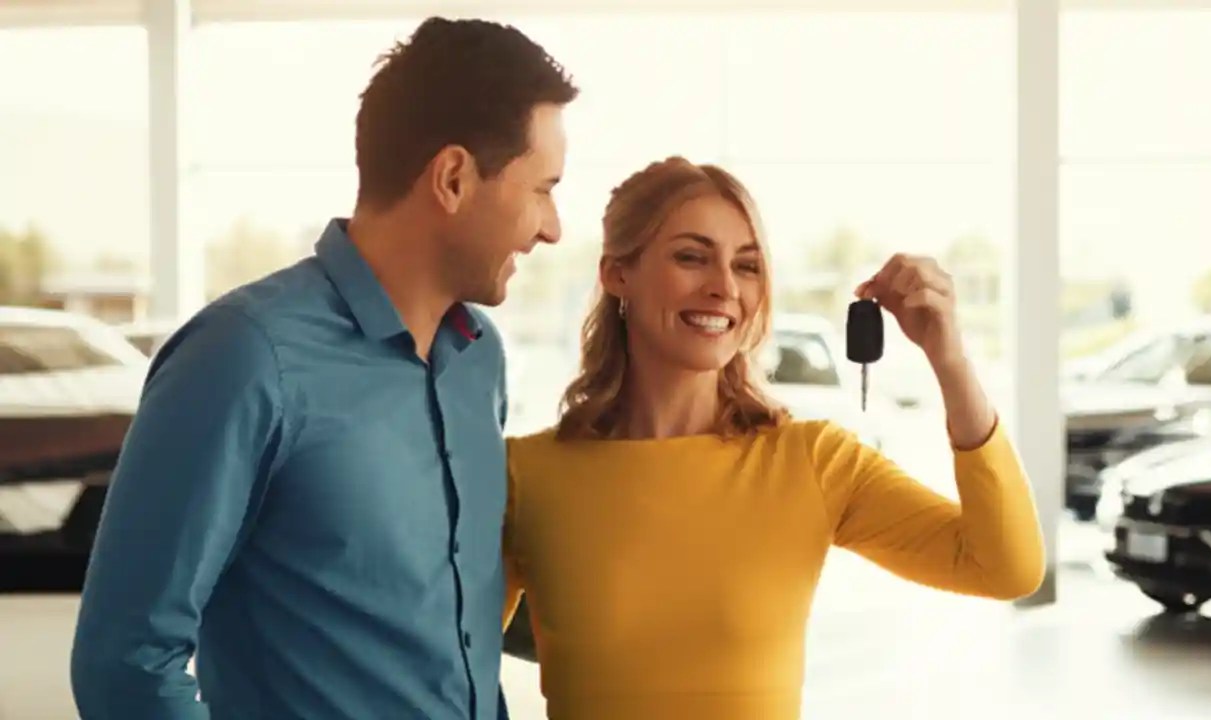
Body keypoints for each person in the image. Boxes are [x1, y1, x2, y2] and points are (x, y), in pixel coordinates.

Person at [70, 17, 576, 720]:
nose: (553, 227)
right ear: (454, 177)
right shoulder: (243, 357)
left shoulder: (477, 358)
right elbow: (125, 663)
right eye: (542, 189)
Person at [501, 157, 1046, 720]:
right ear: (617, 273)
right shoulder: (526, 476)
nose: (723, 288)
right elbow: (443, 667)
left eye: (747, 265)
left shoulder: (813, 462)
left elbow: (1005, 567)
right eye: (691, 257)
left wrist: (949, 359)